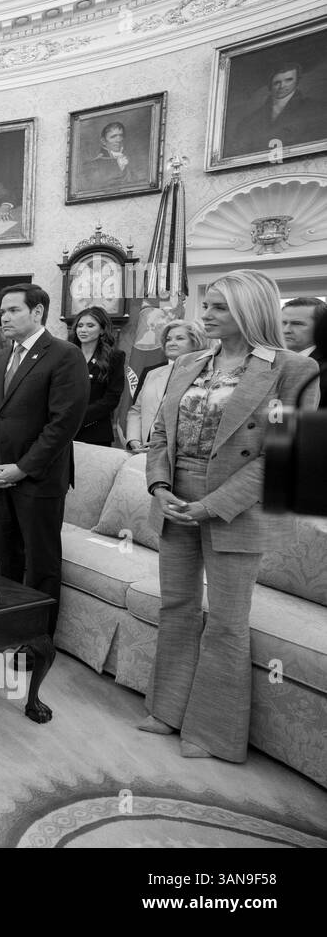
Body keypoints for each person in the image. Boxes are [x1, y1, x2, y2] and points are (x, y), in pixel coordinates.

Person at [140, 270, 320, 761]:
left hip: (238, 507)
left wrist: (211, 505)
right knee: (175, 607)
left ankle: (212, 733)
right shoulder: (188, 364)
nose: (205, 316)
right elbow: (160, 434)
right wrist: (158, 487)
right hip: (175, 498)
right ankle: (168, 709)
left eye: (219, 307)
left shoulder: (291, 371)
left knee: (225, 622)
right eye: (208, 305)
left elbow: (284, 454)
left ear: (247, 310)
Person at [0, 284, 88, 643]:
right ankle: (4, 628)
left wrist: (21, 468)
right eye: (3, 311)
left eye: (13, 310)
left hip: (38, 481)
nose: (4, 317)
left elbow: (63, 425)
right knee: (5, 558)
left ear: (37, 312)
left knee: (40, 565)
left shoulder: (64, 355)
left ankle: (35, 641)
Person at [125, 319, 207, 452]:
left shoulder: (206, 375)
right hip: (143, 452)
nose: (171, 343)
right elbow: (137, 410)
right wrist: (134, 440)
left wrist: (160, 447)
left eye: (179, 338)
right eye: (168, 339)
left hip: (178, 454)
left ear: (196, 343)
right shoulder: (153, 374)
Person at [230, 60, 327, 156]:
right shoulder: (248, 121)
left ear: (297, 81)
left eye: (289, 80)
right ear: (269, 84)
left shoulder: (316, 109)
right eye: (277, 82)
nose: (282, 86)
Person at [70, 307, 127, 446]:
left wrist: (77, 418)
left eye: (90, 326)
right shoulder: (65, 354)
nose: (83, 330)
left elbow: (111, 398)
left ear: (102, 330)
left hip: (94, 433)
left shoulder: (114, 357)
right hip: (62, 430)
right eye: (80, 325)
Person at [281, 296, 326, 406]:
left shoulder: (324, 370)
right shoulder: (268, 361)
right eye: (283, 323)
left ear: (321, 328)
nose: (286, 330)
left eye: (297, 324)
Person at [78, 121, 144, 191]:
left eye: (121, 136)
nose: (119, 140)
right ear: (103, 141)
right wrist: (117, 165)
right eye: (113, 136)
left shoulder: (131, 160)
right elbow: (94, 186)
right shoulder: (92, 165)